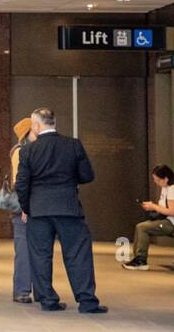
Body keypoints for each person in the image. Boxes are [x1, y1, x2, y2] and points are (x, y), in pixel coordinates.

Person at [15, 107, 106, 314]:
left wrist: (27, 207)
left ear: (37, 126)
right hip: (68, 208)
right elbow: (87, 175)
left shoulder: (28, 150)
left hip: (38, 210)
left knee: (40, 255)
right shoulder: (73, 145)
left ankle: (48, 300)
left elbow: (21, 184)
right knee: (78, 254)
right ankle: (87, 302)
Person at [7, 117, 36, 303]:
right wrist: (25, 207)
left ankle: (37, 289)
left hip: (33, 207)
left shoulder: (32, 151)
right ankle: (22, 290)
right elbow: (20, 182)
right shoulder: (19, 152)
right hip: (23, 209)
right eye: (34, 130)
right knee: (24, 251)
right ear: (26, 134)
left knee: (35, 251)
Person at [124, 165, 174, 270]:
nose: (156, 182)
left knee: (143, 228)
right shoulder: (165, 188)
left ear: (166, 179)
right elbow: (164, 208)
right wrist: (152, 206)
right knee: (140, 226)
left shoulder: (172, 189)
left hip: (171, 223)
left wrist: (154, 206)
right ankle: (138, 258)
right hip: (167, 221)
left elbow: (172, 211)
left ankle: (141, 260)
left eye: (157, 180)